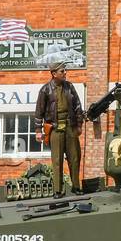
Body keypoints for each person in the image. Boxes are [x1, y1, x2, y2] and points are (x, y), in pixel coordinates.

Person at [34, 63, 84, 197]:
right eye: (62, 71)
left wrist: (79, 125)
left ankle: (76, 187)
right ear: (54, 74)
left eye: (65, 70)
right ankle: (58, 190)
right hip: (55, 129)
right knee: (57, 160)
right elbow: (39, 111)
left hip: (70, 127)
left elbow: (78, 107)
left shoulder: (70, 87)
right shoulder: (45, 90)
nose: (65, 73)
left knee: (74, 157)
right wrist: (38, 130)